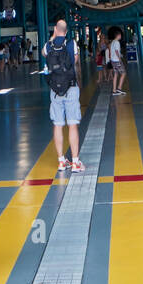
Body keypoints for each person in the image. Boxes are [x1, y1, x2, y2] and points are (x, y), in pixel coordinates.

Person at [43, 18, 85, 172]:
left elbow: (44, 54)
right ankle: (75, 162)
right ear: (66, 31)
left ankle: (61, 161)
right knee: (72, 124)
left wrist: (53, 38)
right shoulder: (71, 44)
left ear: (55, 29)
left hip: (55, 90)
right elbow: (74, 61)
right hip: (71, 87)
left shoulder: (48, 46)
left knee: (58, 125)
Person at [108, 26, 126, 96]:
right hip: (117, 60)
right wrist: (120, 59)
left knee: (115, 74)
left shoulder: (112, 42)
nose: (121, 36)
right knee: (123, 73)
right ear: (118, 35)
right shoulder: (117, 42)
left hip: (113, 61)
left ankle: (114, 90)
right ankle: (119, 88)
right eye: (120, 35)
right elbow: (116, 51)